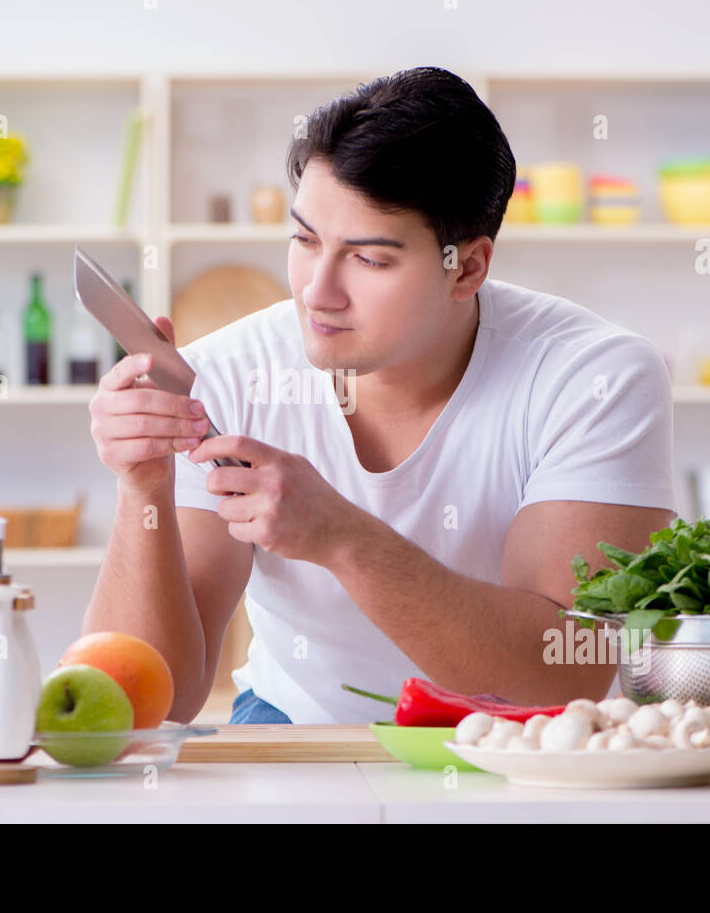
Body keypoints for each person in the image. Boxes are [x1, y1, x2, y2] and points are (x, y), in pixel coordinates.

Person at [82, 66, 676, 724]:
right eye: (305, 241)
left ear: (468, 267)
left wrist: (344, 539)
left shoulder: (591, 377)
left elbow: (565, 672)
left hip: (525, 741)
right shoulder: (224, 374)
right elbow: (154, 700)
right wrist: (142, 489)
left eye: (368, 259)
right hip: (296, 725)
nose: (317, 292)